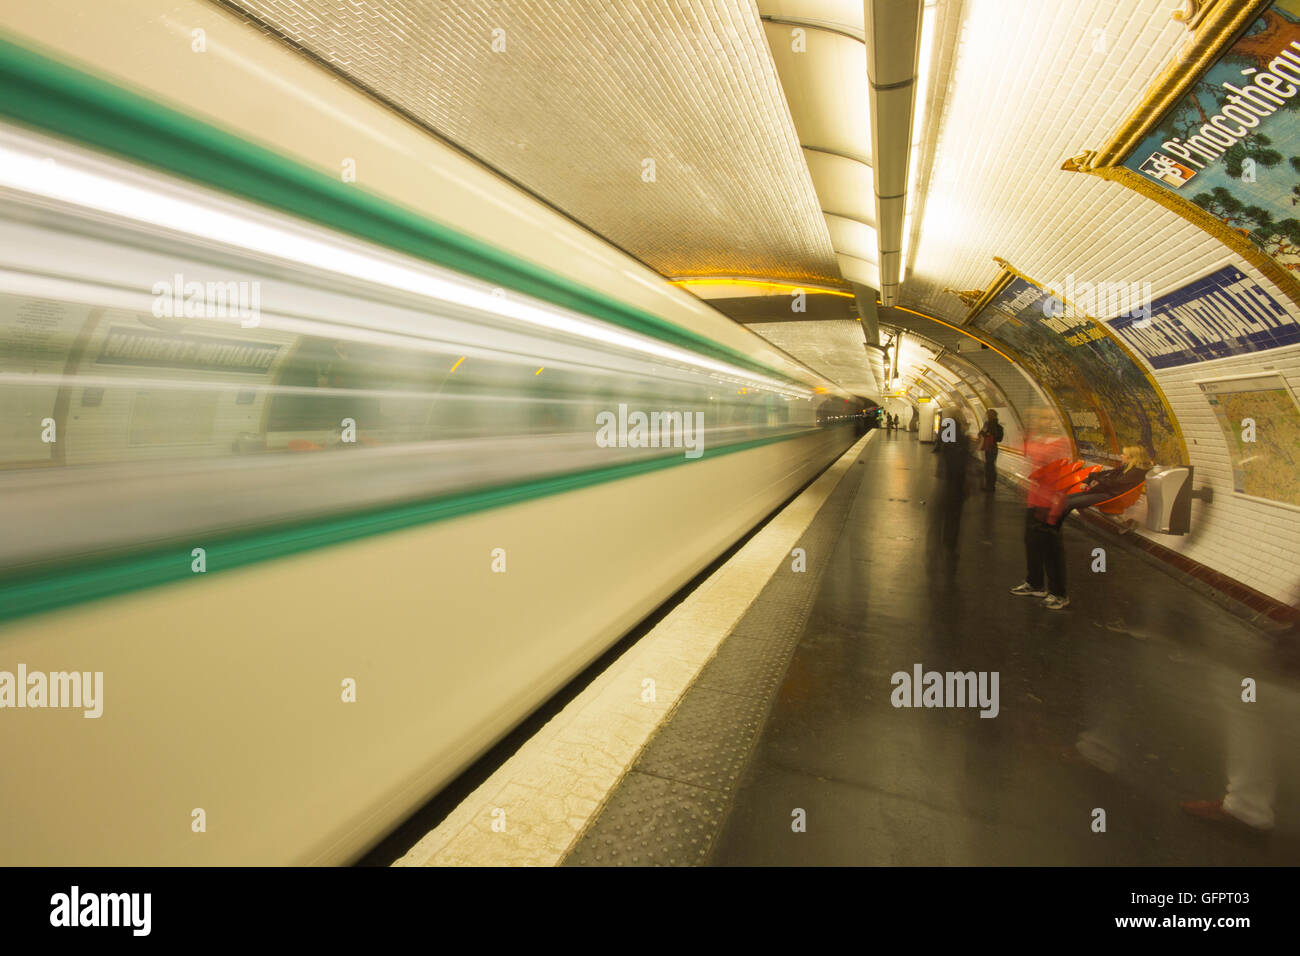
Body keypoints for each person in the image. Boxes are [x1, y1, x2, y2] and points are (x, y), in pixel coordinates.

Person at [1010, 410, 1072, 609]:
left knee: (1051, 550)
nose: (1044, 421)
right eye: (1042, 417)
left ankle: (1059, 593)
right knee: (1032, 544)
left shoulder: (1061, 443)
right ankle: (1035, 583)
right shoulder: (1039, 439)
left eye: (1049, 418)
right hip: (1034, 501)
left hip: (1051, 504)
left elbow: (1057, 469)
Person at [1047, 445, 1152, 526]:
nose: (1121, 455)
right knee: (1065, 499)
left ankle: (1052, 525)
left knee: (1068, 503)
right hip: (1105, 491)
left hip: (1111, 495)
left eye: (1124, 454)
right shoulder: (1127, 467)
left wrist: (1095, 480)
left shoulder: (1137, 472)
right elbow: (1108, 474)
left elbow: (1114, 483)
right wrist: (1090, 479)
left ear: (1132, 458)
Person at [977, 410, 1004, 492]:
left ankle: (989, 485)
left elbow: (980, 433)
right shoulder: (999, 427)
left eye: (988, 415)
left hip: (988, 447)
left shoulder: (987, 425)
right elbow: (999, 439)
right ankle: (991, 485)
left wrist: (987, 435)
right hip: (993, 447)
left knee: (989, 466)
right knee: (991, 465)